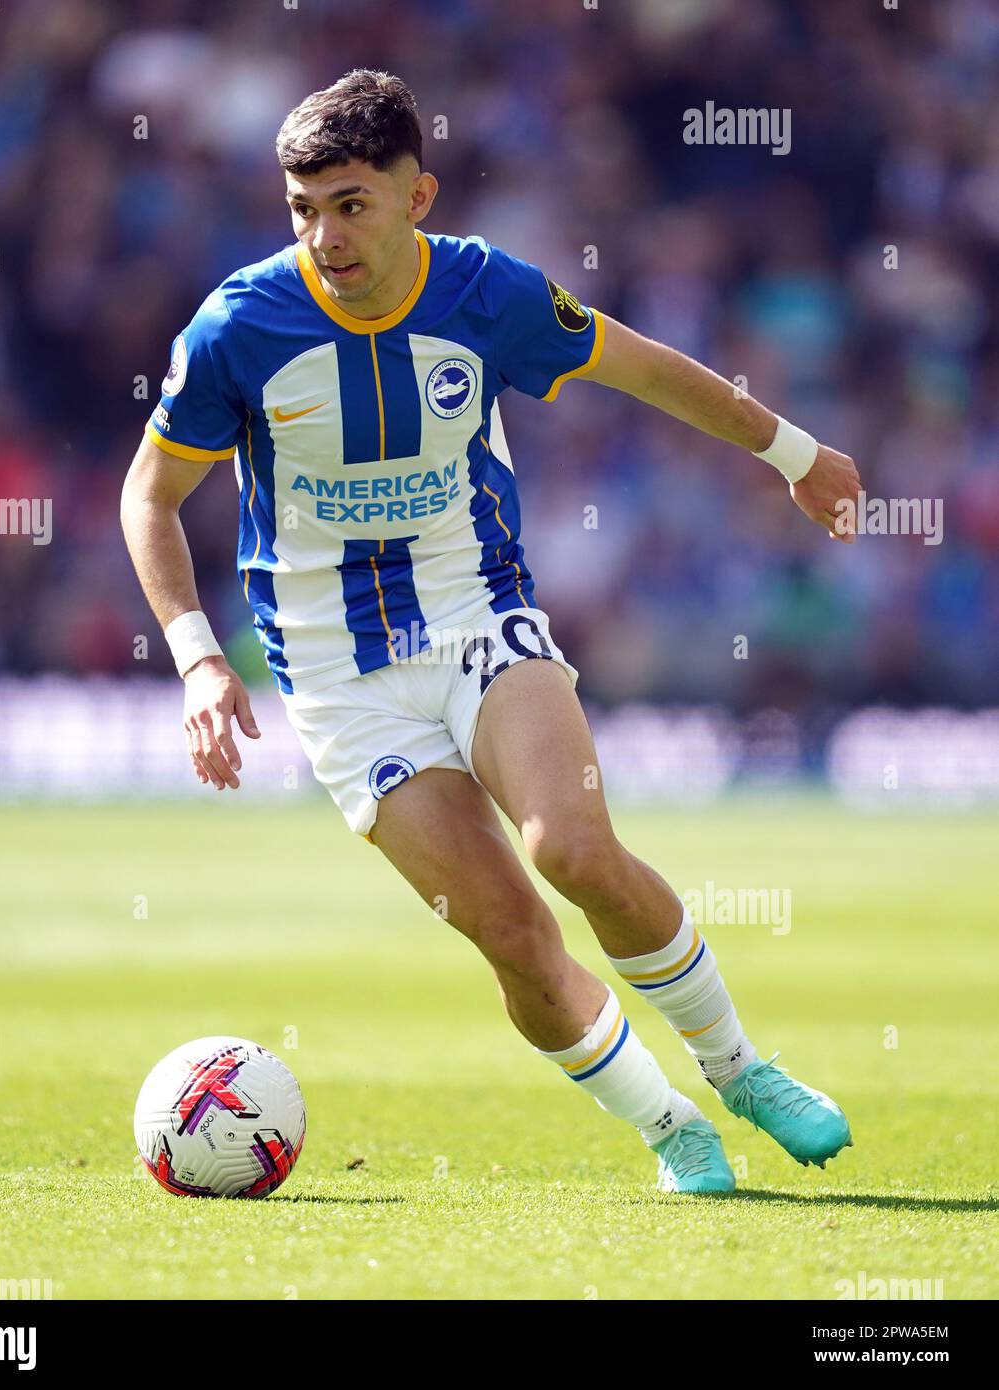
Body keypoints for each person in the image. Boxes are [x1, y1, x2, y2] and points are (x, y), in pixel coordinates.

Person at [121, 69, 859, 1193]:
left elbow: (647, 369)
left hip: (476, 615)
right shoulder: (237, 327)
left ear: (418, 196)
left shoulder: (488, 295)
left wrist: (794, 455)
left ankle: (739, 1067)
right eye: (302, 208)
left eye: (350, 203)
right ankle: (670, 1128)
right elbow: (150, 496)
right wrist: (197, 658)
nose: (324, 234)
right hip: (334, 675)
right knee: (510, 931)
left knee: (572, 849)